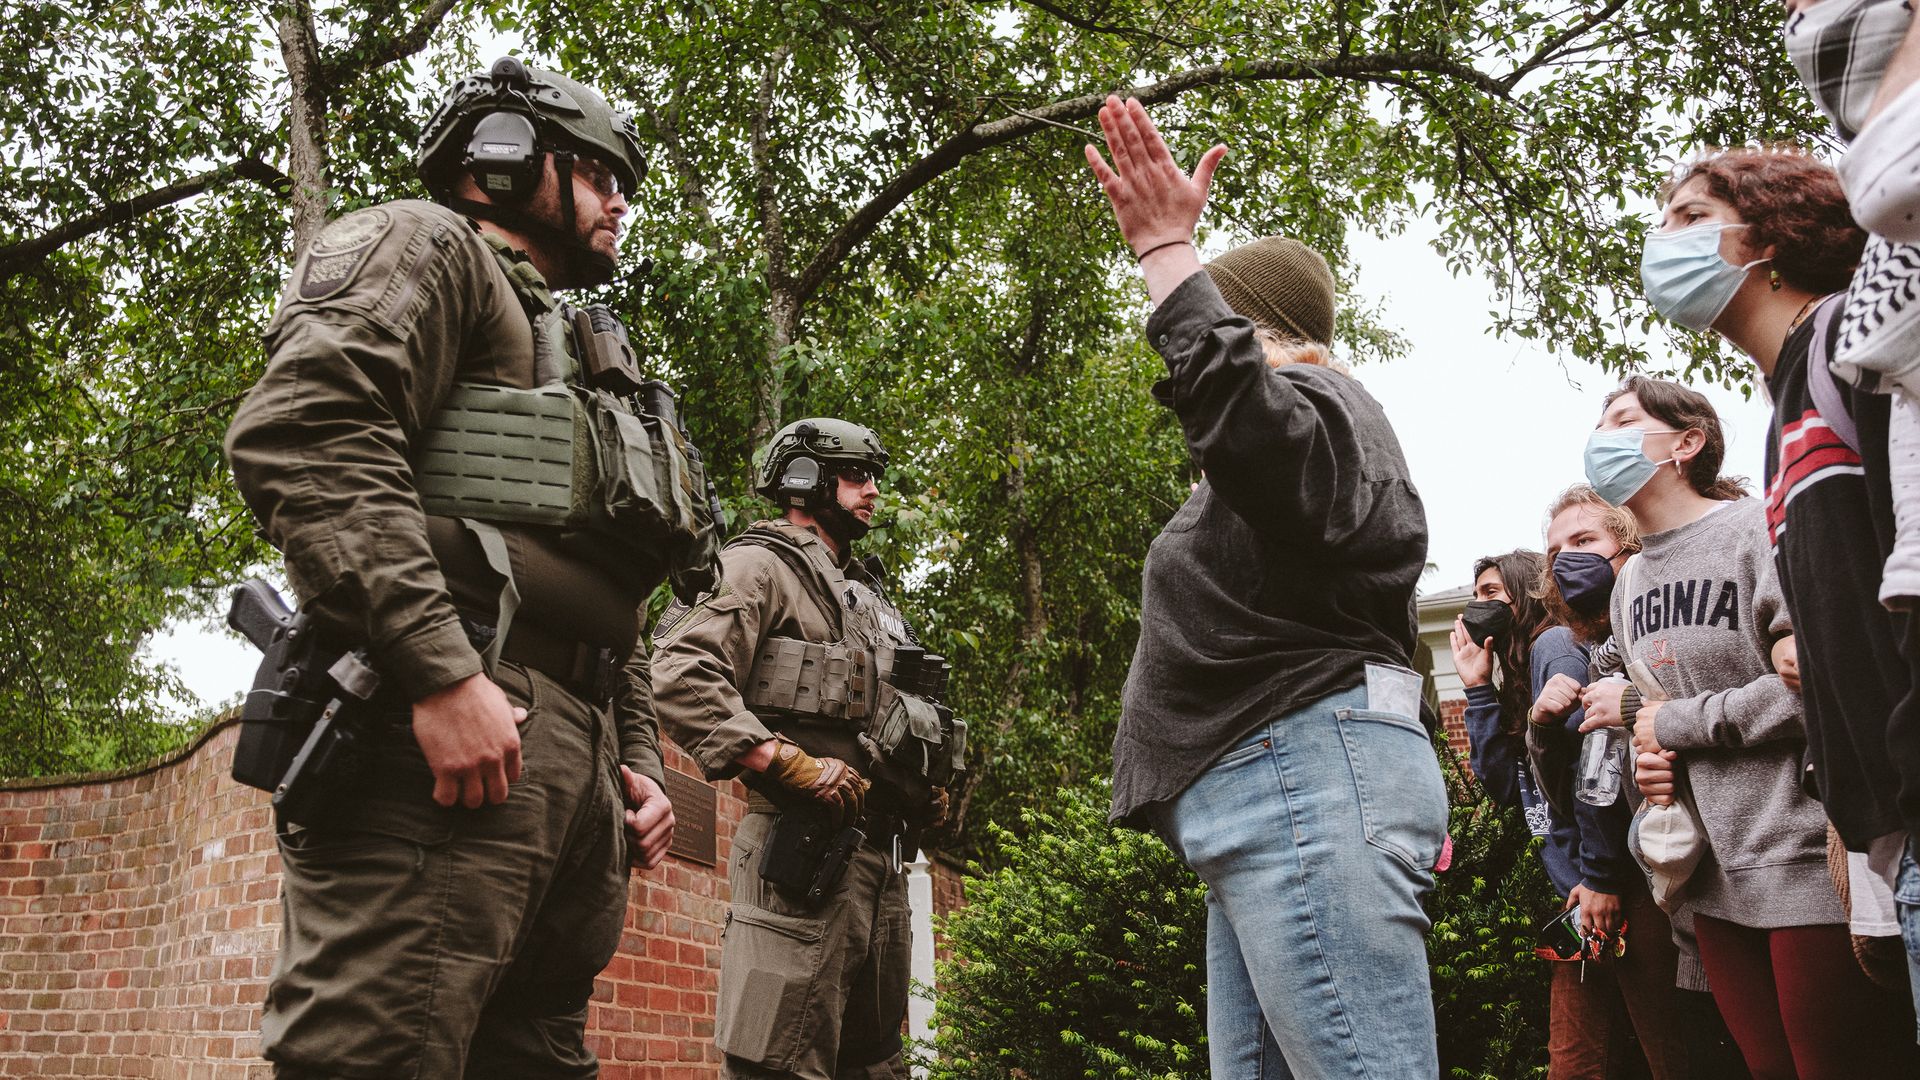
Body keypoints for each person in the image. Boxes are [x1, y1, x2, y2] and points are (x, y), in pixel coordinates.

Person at [224, 58, 719, 1077]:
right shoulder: (424, 244)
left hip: (570, 762)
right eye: (598, 174)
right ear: (506, 159)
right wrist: (441, 673)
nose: (620, 202)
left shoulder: (580, 351)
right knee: (380, 1055)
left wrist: (635, 753)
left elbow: (608, 577)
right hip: (448, 735)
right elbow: (308, 431)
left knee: (535, 1057)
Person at [1086, 97, 1446, 1078]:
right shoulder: (1313, 451)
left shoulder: (1322, 403)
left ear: (1248, 332)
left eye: (1216, 326)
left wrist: (1168, 255)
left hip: (1300, 784)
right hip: (1287, 796)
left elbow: (1250, 425)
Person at [1572, 375, 1915, 1074]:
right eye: (1600, 425)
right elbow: (1654, 718)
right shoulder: (1629, 582)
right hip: (1706, 879)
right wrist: (1653, 761)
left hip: (1801, 855)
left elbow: (1820, 686)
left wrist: (1676, 724)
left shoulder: (1757, 530)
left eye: (1624, 421)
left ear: (1687, 442)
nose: (1602, 440)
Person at [650, 418, 960, 1080]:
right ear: (805, 480)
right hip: (802, 858)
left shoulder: (868, 601)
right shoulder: (758, 565)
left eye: (874, 477)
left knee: (875, 1067)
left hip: (879, 866)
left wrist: (918, 790)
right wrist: (781, 760)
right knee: (779, 1064)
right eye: (856, 476)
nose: (873, 490)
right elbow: (679, 672)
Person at [1452, 544, 1686, 1078]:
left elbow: (1593, 761)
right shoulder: (1519, 673)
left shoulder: (1555, 646)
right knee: (1581, 1062)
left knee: (1666, 1053)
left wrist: (1599, 876)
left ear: (1523, 593)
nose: (1478, 605)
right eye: (1475, 594)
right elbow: (1506, 787)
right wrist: (1477, 688)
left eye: (1492, 592)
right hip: (1580, 900)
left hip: (1615, 888)